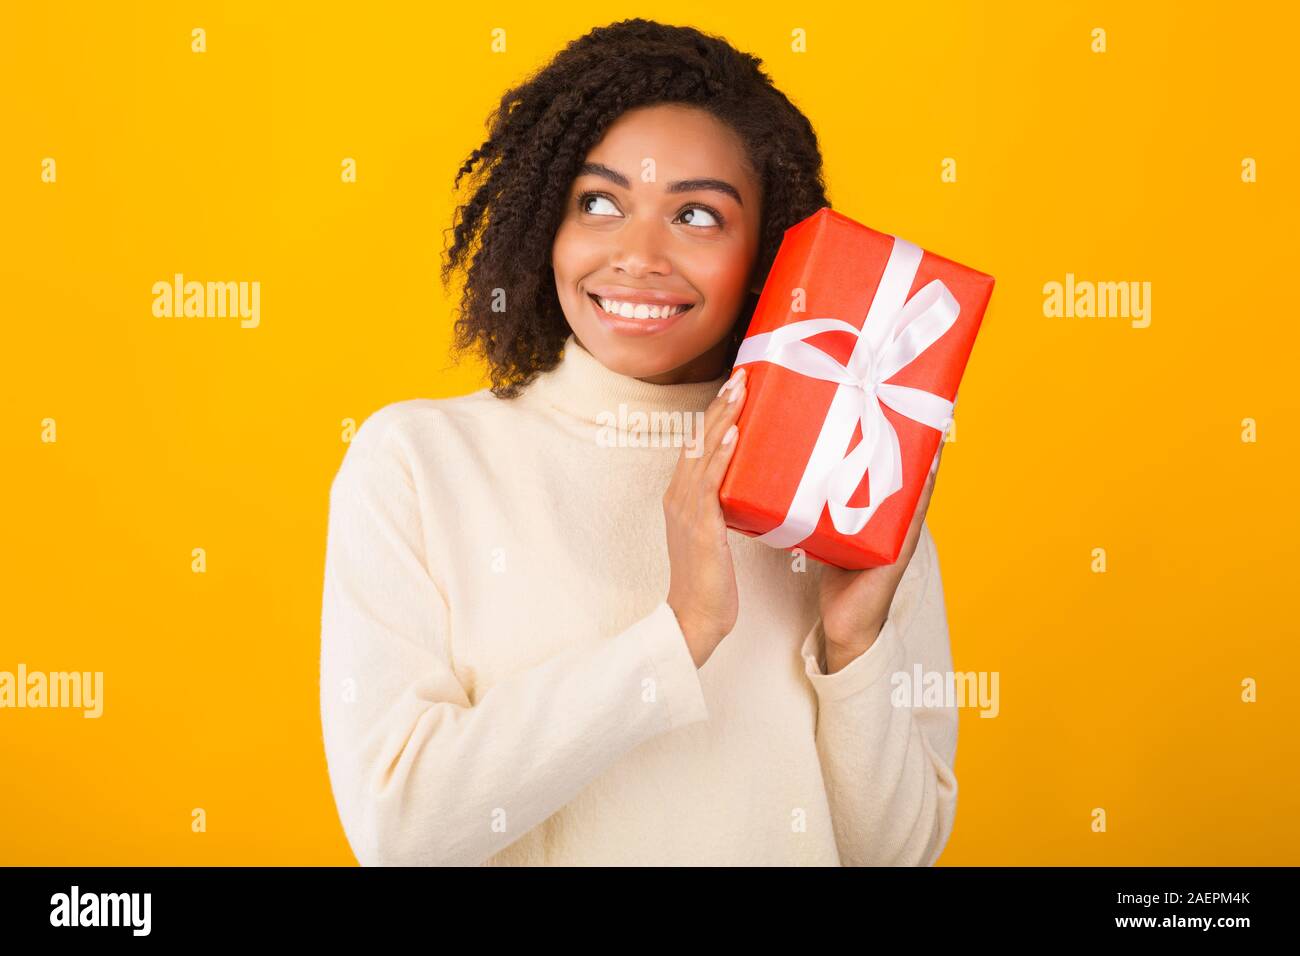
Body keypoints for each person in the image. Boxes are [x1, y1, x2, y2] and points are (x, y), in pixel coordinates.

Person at [319, 17, 957, 866]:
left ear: (767, 253)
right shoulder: (417, 465)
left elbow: (900, 854)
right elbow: (401, 831)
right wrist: (678, 634)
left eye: (696, 215)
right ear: (547, 221)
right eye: (599, 203)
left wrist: (852, 647)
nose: (638, 255)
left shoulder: (847, 470)